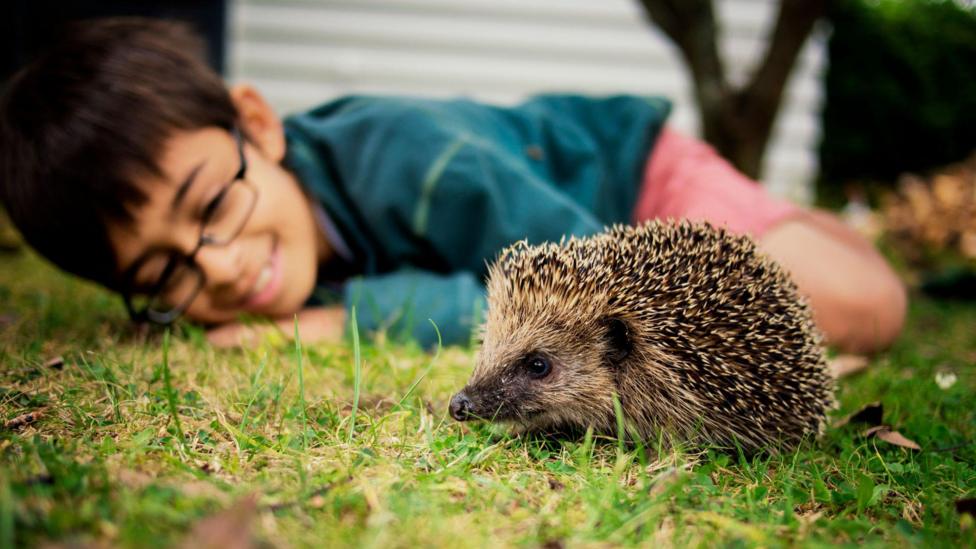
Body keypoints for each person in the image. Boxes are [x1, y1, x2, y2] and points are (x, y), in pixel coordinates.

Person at [0, 18, 906, 353]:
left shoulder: (418, 157)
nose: (221, 270)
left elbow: (577, 302)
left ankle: (821, 231)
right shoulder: (251, 245)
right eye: (161, 276)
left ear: (258, 127)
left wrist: (349, 315)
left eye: (210, 205)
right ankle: (797, 221)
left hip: (630, 189)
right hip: (575, 220)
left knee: (854, 305)